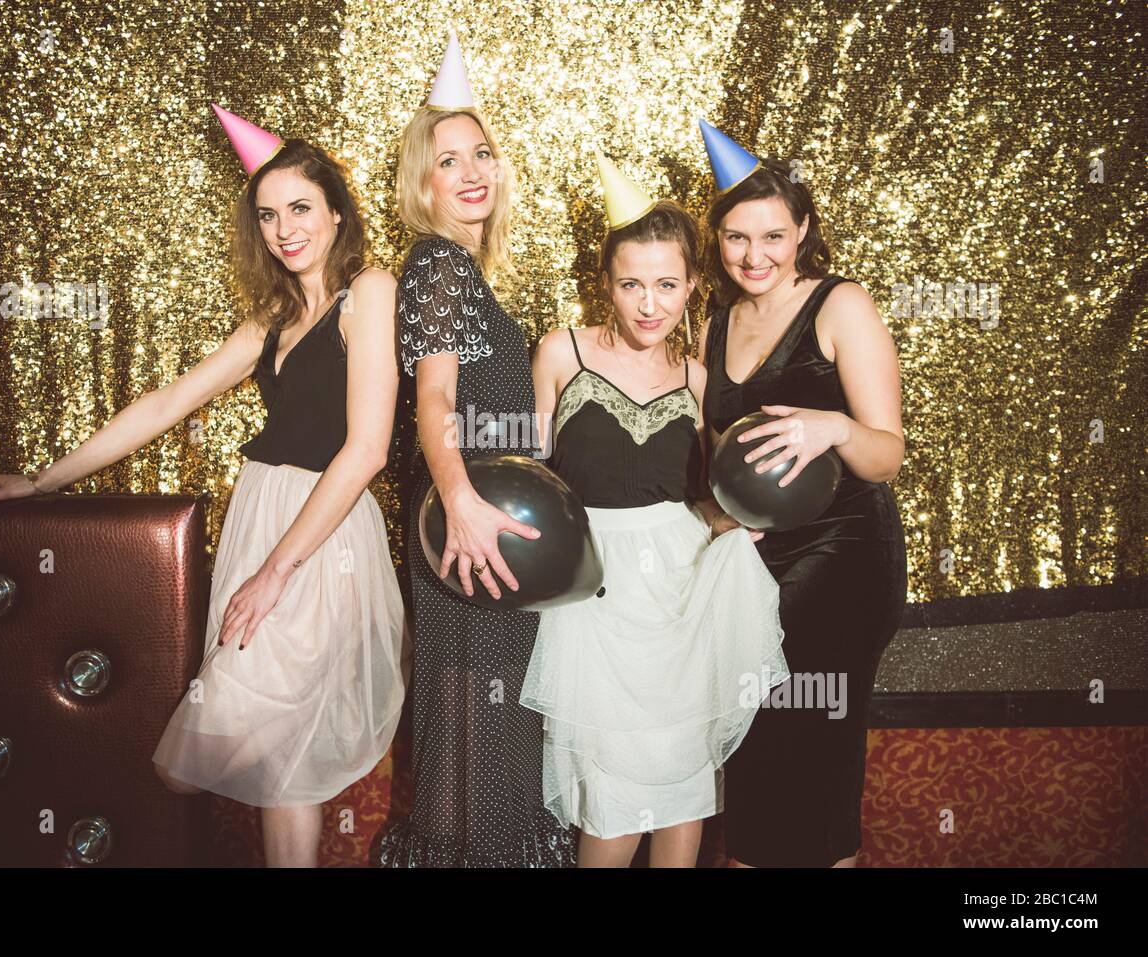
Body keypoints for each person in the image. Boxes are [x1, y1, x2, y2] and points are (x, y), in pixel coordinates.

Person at [0, 109, 405, 868]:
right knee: (283, 762)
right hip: (260, 521)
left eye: (300, 207)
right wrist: (43, 480)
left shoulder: (370, 291)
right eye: (267, 214)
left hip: (319, 540)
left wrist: (276, 570)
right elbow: (167, 402)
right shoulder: (271, 318)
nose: (284, 228)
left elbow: (364, 450)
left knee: (212, 746)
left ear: (336, 210)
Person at [519, 156, 787, 867]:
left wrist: (733, 519)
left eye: (667, 284)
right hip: (593, 591)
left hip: (681, 590)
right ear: (604, 282)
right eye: (631, 283)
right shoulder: (560, 354)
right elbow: (530, 477)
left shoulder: (699, 378)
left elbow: (705, 495)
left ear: (693, 285)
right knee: (609, 791)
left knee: (685, 778)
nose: (649, 303)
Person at [375, 33, 576, 867]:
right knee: (477, 743)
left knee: (484, 736)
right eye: (447, 160)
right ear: (422, 181)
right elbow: (432, 399)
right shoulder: (439, 267)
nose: (471, 173)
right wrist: (459, 500)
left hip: (483, 531)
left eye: (481, 153)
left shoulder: (464, 270)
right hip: (467, 532)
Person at [694, 120, 908, 867]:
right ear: (716, 238)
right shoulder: (714, 326)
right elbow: (714, 463)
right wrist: (721, 516)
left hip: (843, 554)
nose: (755, 256)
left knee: (812, 742)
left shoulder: (840, 304)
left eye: (774, 236)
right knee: (753, 742)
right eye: (736, 238)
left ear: (804, 230)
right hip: (754, 564)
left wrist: (832, 426)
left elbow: (887, 454)